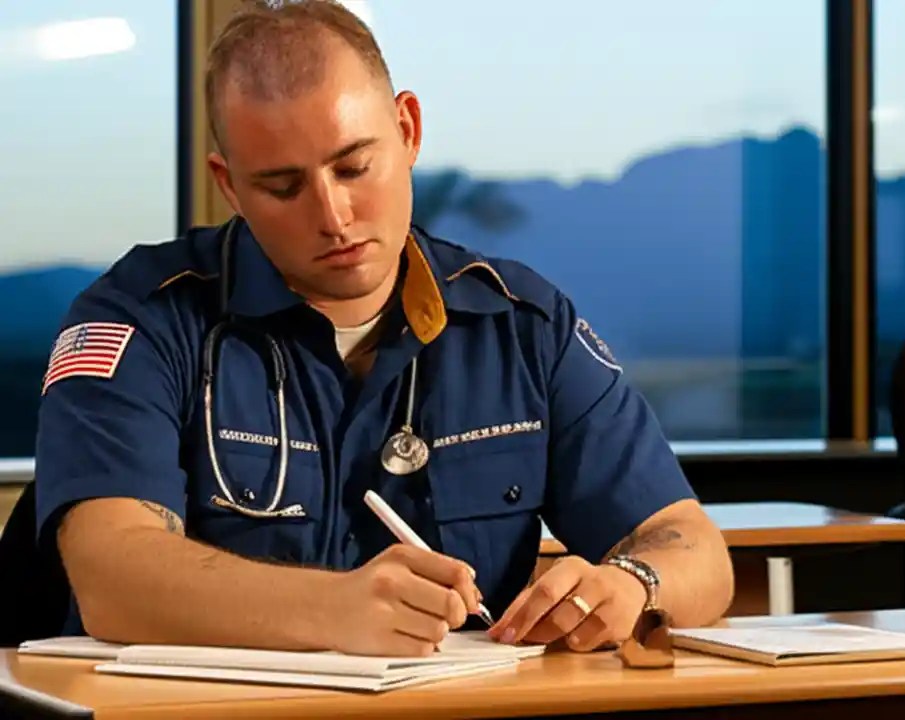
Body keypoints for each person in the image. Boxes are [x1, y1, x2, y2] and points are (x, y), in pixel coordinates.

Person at [33, 0, 732, 657]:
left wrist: (630, 584)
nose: (332, 215)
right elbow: (112, 579)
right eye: (282, 187)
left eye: (354, 166)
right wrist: (333, 610)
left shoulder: (523, 326)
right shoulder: (141, 319)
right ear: (229, 183)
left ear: (407, 130)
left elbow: (694, 549)